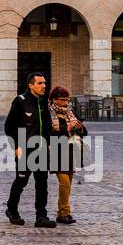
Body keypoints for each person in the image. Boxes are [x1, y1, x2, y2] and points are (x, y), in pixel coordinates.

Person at [5, 72, 56, 229]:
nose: (44, 86)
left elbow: (47, 126)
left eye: (44, 83)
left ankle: (41, 216)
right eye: (40, 83)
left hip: (40, 149)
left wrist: (49, 143)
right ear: (31, 85)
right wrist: (17, 146)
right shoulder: (20, 101)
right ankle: (12, 210)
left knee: (42, 184)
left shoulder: (43, 103)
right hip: (24, 149)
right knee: (21, 181)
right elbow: (9, 127)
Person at [48, 86, 87, 225]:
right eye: (62, 99)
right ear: (53, 99)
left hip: (71, 149)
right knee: (64, 183)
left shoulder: (71, 111)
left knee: (68, 183)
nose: (65, 102)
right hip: (56, 149)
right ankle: (65, 212)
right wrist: (67, 128)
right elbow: (49, 132)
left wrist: (79, 126)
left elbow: (84, 131)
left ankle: (61, 213)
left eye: (67, 99)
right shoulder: (49, 112)